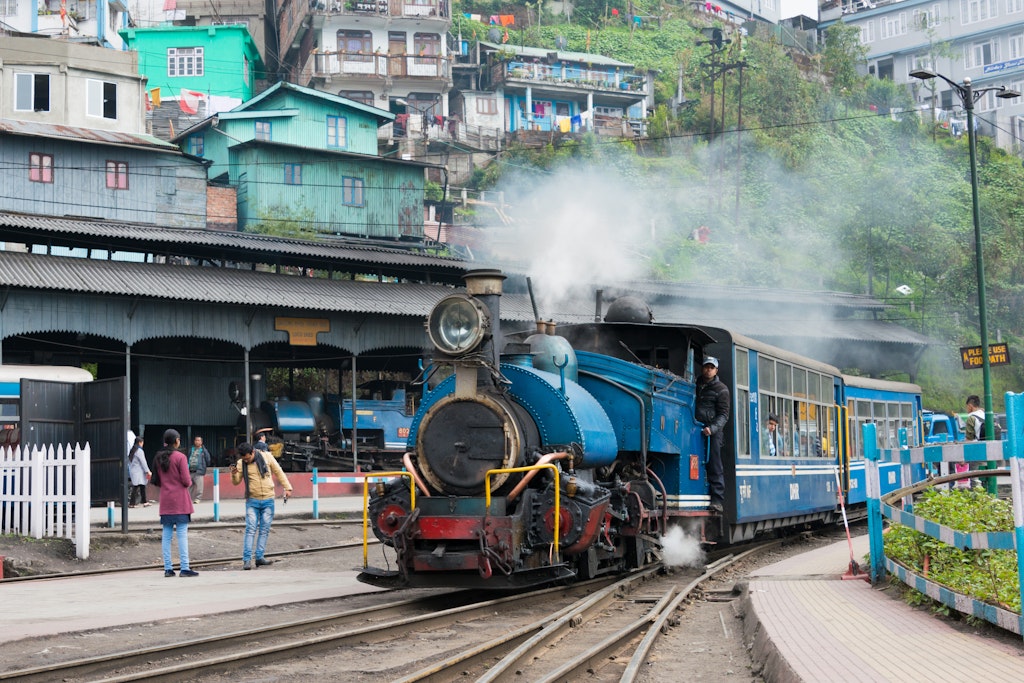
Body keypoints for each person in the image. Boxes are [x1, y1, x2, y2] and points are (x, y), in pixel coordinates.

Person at [231, 441, 292, 570]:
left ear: (253, 452)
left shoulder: (267, 457)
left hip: (268, 499)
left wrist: (288, 487)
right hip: (252, 500)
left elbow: (279, 472)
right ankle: (247, 560)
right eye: (244, 459)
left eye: (248, 458)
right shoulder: (241, 463)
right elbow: (236, 482)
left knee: (264, 530)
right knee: (250, 529)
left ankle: (259, 557)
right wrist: (234, 473)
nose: (246, 461)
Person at [151, 428, 198, 577]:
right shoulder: (180, 457)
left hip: (166, 500)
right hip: (181, 501)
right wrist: (188, 482)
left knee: (166, 534)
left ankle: (168, 568)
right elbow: (186, 480)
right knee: (182, 534)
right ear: (176, 440)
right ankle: (184, 568)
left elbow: (156, 481)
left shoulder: (158, 457)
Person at [696, 356, 730, 512]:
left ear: (716, 370)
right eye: (706, 367)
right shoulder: (695, 384)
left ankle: (717, 500)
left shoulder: (721, 389)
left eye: (711, 367)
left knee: (714, 463)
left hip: (712, 431)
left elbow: (724, 415)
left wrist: (713, 428)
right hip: (696, 427)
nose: (708, 370)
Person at [958, 395, 986, 489]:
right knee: (988, 476)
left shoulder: (971, 418)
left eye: (967, 407)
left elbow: (969, 439)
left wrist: (963, 457)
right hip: (990, 450)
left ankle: (979, 499)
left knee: (975, 478)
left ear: (970, 406)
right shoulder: (985, 414)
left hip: (977, 451)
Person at [127, 436, 152, 508]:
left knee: (142, 486)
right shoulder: (139, 451)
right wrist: (148, 471)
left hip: (134, 471)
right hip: (138, 472)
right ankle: (132, 503)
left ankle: (145, 502)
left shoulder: (133, 450)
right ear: (140, 442)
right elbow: (143, 462)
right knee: (136, 487)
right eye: (142, 442)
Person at [187, 435, 212, 504]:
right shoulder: (191, 449)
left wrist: (203, 467)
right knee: (189, 486)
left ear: (201, 442)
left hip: (199, 471)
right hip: (190, 471)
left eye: (198, 440)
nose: (197, 442)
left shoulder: (204, 451)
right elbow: (187, 458)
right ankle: (188, 499)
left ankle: (198, 499)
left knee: (199, 487)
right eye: (196, 440)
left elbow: (208, 460)